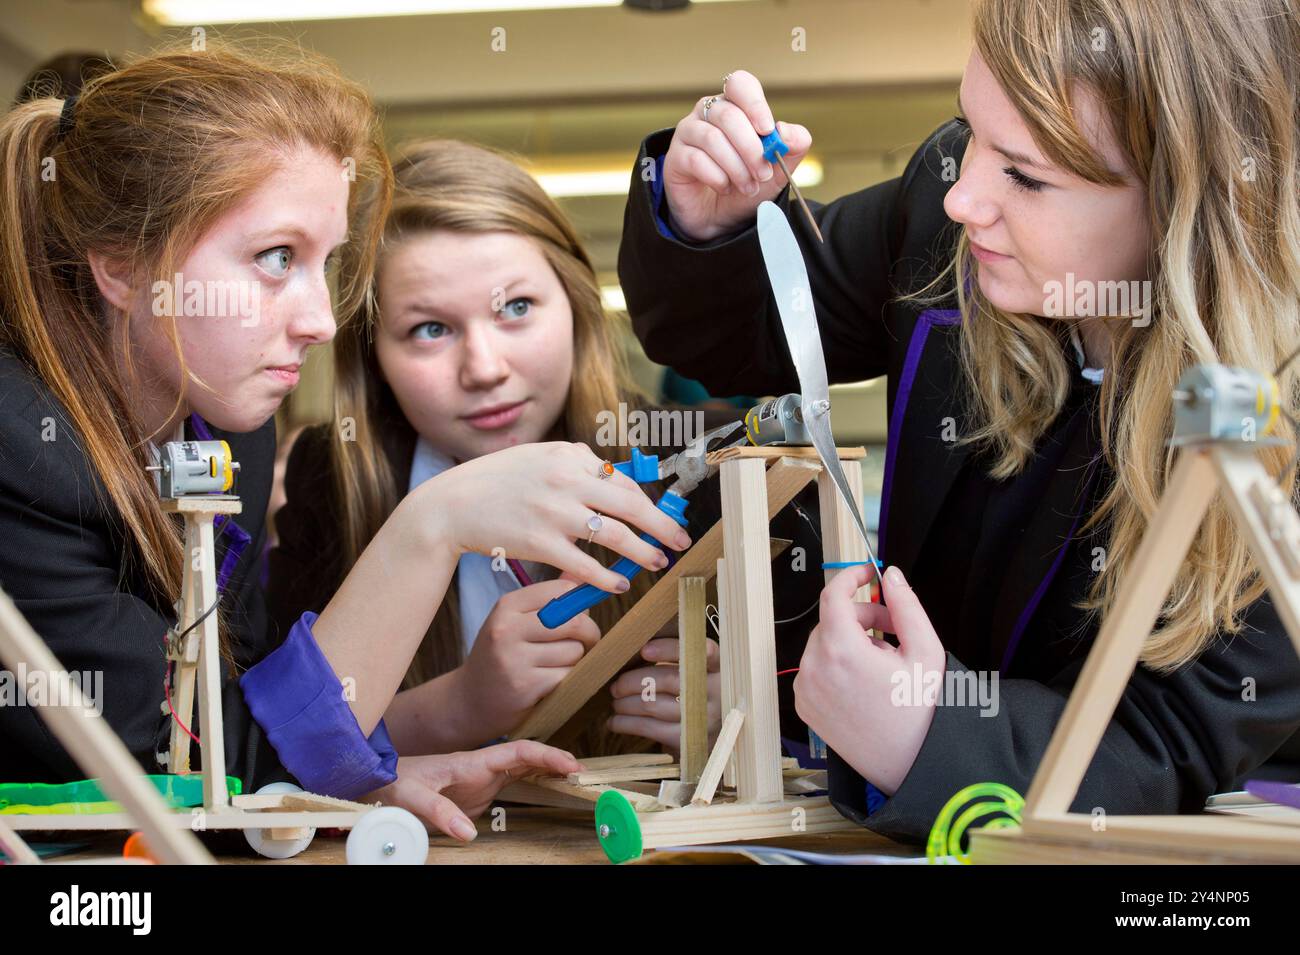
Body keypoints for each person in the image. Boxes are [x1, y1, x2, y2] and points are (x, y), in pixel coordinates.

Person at [617, 0, 1300, 843]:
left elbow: (1167, 744)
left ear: (1184, 204)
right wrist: (710, 221)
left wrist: (934, 737)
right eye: (971, 126)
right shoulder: (948, 196)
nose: (963, 197)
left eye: (1026, 174)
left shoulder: (1275, 425)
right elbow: (734, 331)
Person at [0, 43, 691, 842]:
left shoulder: (231, 430)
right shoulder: (21, 454)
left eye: (322, 265)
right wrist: (433, 524)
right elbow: (183, 767)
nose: (321, 322)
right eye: (274, 258)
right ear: (121, 268)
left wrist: (379, 774)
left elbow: (241, 724)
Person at [268, 138, 823, 758]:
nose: (484, 368)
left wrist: (747, 721)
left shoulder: (709, 461)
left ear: (576, 305)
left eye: (518, 308)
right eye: (429, 329)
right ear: (373, 358)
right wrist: (457, 707)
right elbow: (271, 754)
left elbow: (827, 725)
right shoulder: (332, 475)